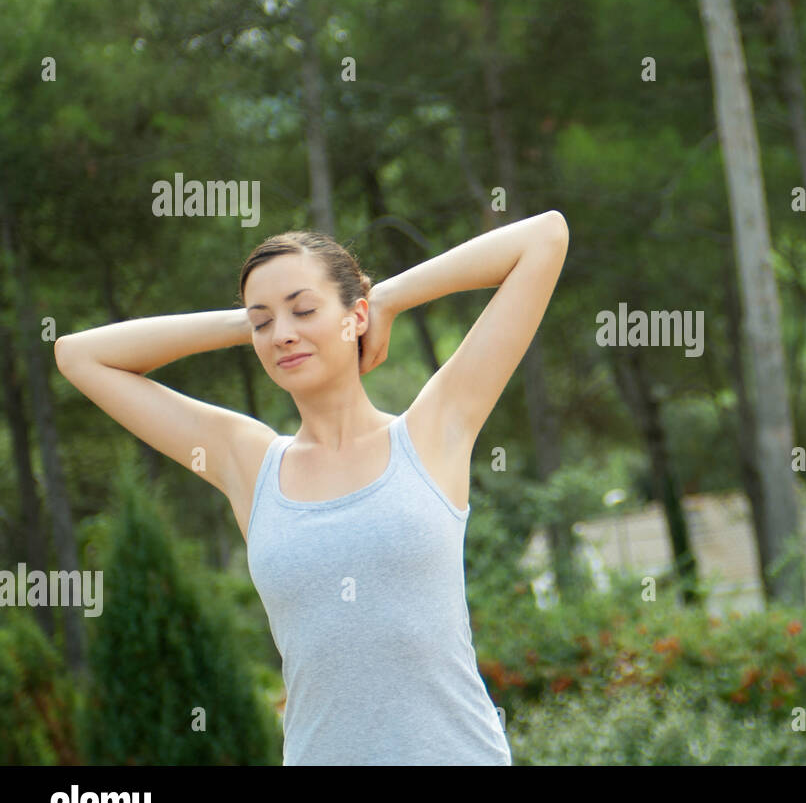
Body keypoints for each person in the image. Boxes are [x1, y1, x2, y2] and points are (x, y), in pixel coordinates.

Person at [54, 211, 569, 764]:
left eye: (303, 309)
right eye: (264, 323)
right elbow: (79, 355)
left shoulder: (431, 432)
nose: (283, 334)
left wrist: (386, 298)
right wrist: (250, 323)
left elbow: (544, 237)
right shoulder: (249, 463)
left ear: (356, 316)